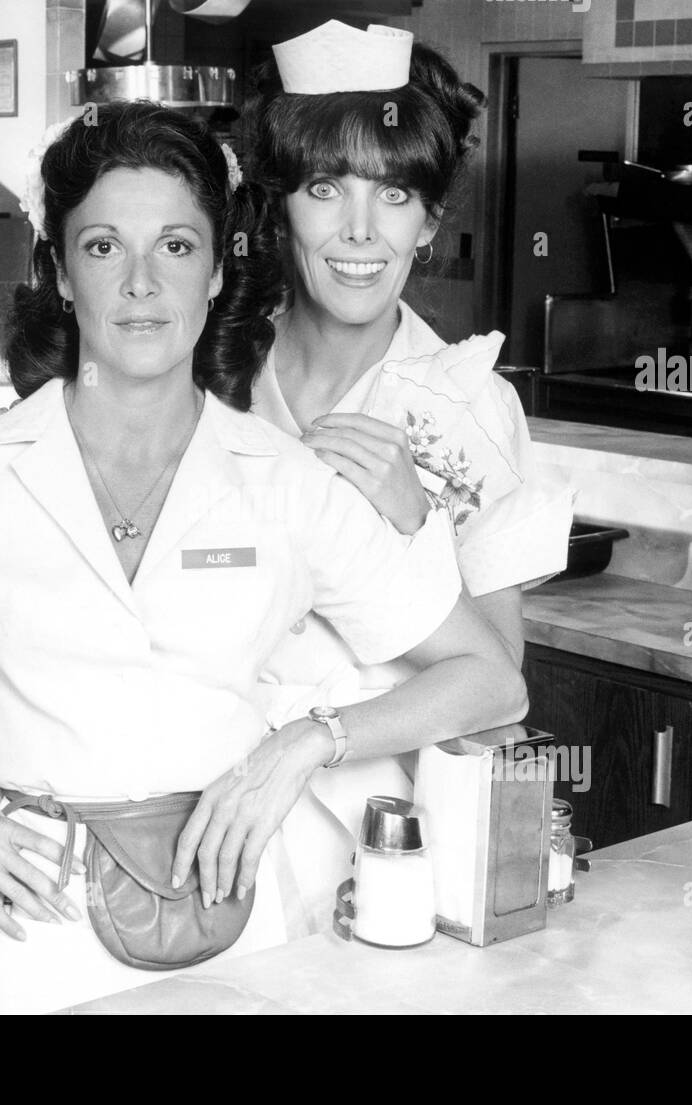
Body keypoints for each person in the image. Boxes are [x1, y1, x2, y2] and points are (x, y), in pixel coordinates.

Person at [0, 101, 528, 1014]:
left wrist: (311, 741)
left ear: (218, 270)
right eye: (105, 246)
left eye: (177, 247)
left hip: (237, 924)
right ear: (61, 272)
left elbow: (491, 680)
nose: (143, 282)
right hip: (28, 935)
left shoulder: (288, 482)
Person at [240, 21, 575, 931]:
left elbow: (496, 681)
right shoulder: (218, 372)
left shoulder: (467, 406)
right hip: (207, 796)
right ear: (282, 208)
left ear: (427, 222)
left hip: (375, 828)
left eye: (393, 195)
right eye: (324, 189)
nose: (359, 231)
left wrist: (414, 518)